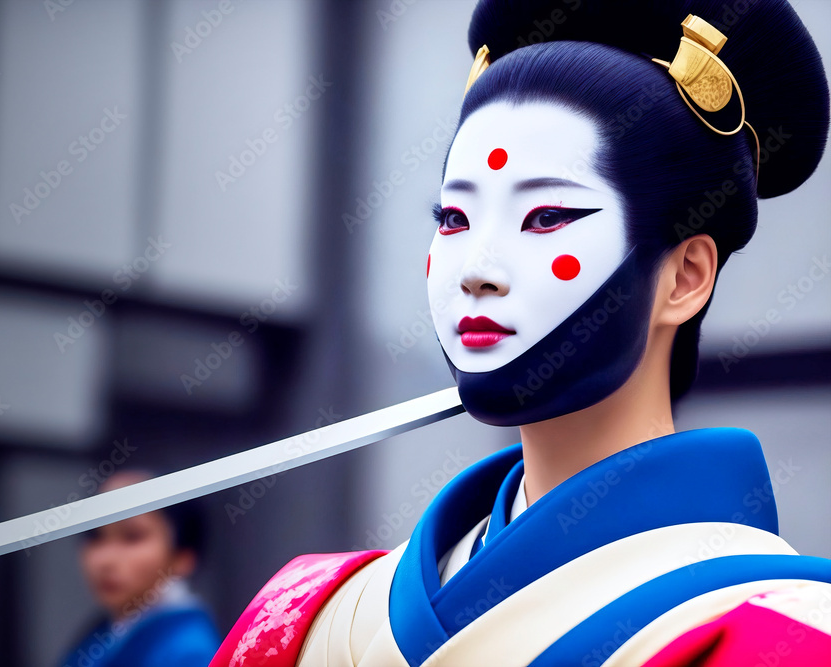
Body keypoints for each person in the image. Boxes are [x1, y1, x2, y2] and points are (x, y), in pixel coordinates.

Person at [209, 0, 831, 665]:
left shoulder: (772, 635)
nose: (476, 271)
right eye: (453, 218)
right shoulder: (312, 620)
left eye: (546, 217)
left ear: (685, 276)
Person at [59, 471, 220, 667]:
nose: (105, 560)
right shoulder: (104, 631)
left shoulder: (190, 652)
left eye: (132, 536)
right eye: (95, 536)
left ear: (182, 557)